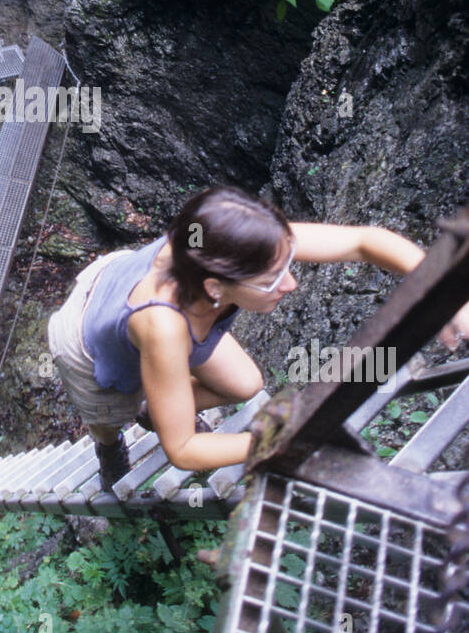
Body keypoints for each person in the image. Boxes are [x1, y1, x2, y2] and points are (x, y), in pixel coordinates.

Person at [48, 185, 469, 490]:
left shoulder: (244, 243)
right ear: (216, 288)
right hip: (87, 343)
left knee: (245, 385)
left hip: (138, 289)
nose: (291, 284)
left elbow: (363, 241)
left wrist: (446, 293)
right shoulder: (162, 326)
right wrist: (282, 440)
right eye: (272, 280)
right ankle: (110, 446)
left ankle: (155, 410)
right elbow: (184, 449)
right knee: (110, 417)